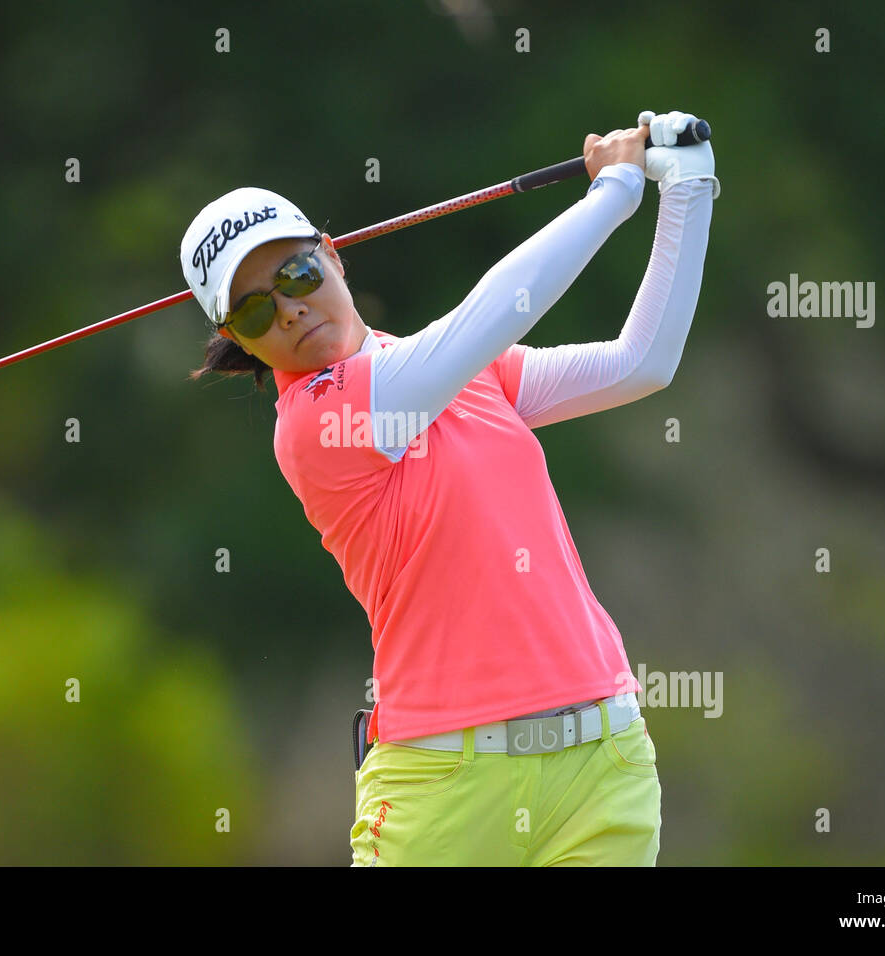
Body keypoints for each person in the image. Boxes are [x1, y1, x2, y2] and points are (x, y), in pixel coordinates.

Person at [180, 109, 718, 866]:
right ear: (238, 338)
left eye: (296, 273)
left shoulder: (460, 370)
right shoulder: (312, 424)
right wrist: (615, 192)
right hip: (444, 789)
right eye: (257, 307)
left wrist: (689, 189)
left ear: (334, 257)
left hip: (603, 761)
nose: (292, 307)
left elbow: (642, 363)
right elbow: (487, 316)